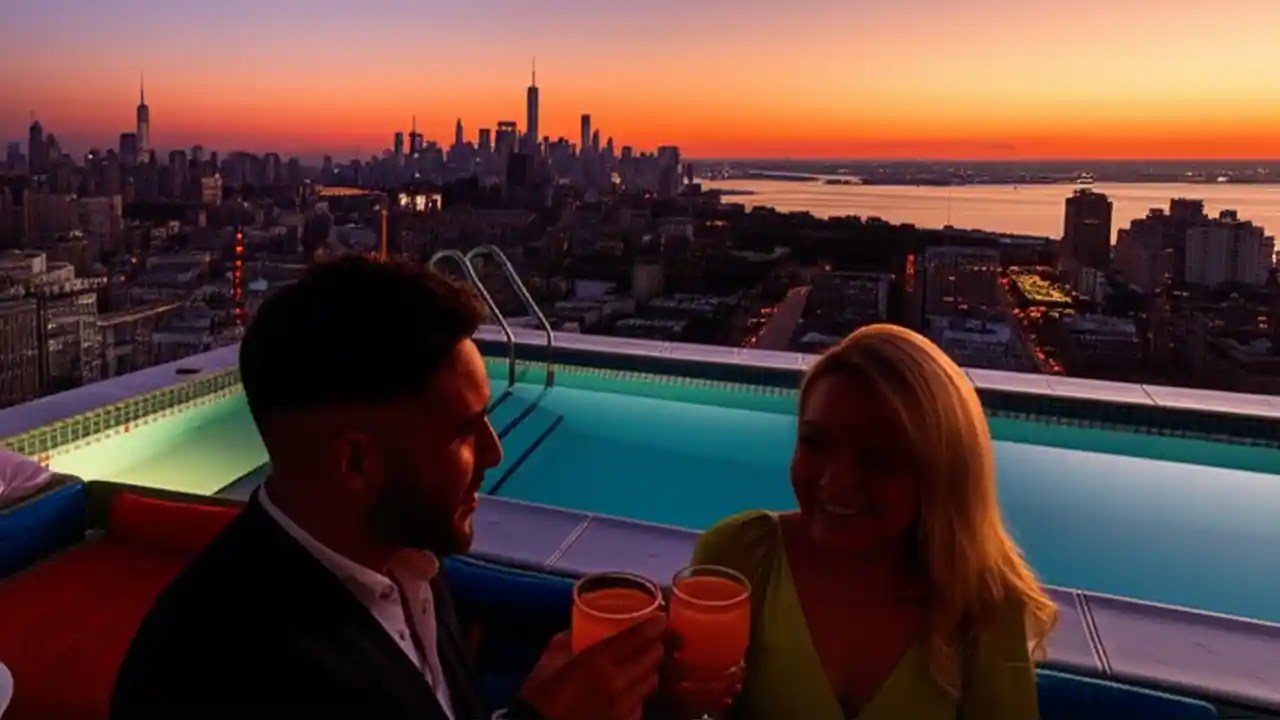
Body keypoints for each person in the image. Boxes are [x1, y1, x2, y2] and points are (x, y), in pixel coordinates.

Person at [110, 257, 666, 720]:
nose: (495, 453)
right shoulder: (213, 674)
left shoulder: (406, 563)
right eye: (461, 432)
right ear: (356, 463)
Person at [692, 324, 1058, 719]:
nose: (836, 482)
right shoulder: (741, 557)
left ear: (940, 474)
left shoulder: (984, 604)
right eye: (815, 442)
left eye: (878, 458)